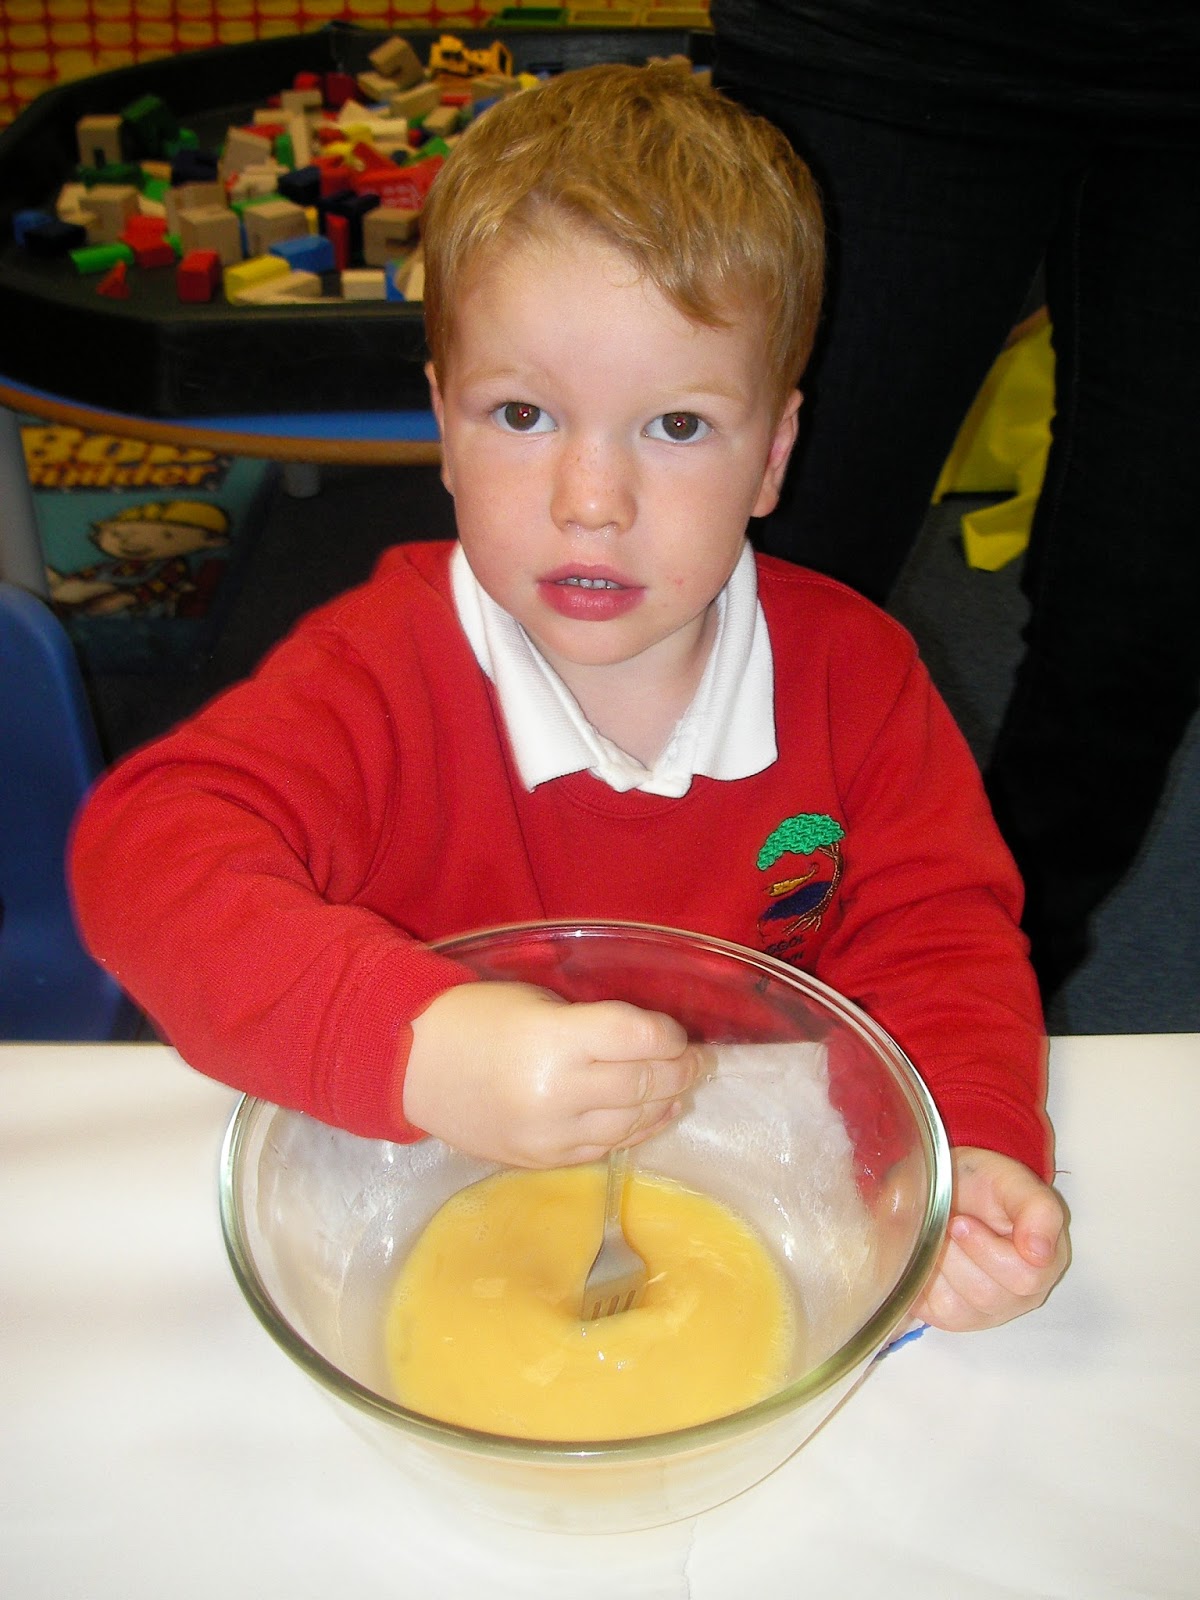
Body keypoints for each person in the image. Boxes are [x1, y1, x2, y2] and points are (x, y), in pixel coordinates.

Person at [69, 63, 1068, 1332]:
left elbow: (939, 942)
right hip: (417, 1179)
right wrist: (418, 1042)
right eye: (525, 413)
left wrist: (963, 1150)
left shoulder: (856, 678)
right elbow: (143, 857)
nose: (590, 499)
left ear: (774, 454)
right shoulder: (380, 673)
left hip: (755, 1181)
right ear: (443, 423)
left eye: (678, 427)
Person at [708, 0, 1200, 1001]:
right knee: (749, 581)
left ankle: (987, 986)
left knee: (1142, 618)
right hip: (896, 41)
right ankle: (704, 981)